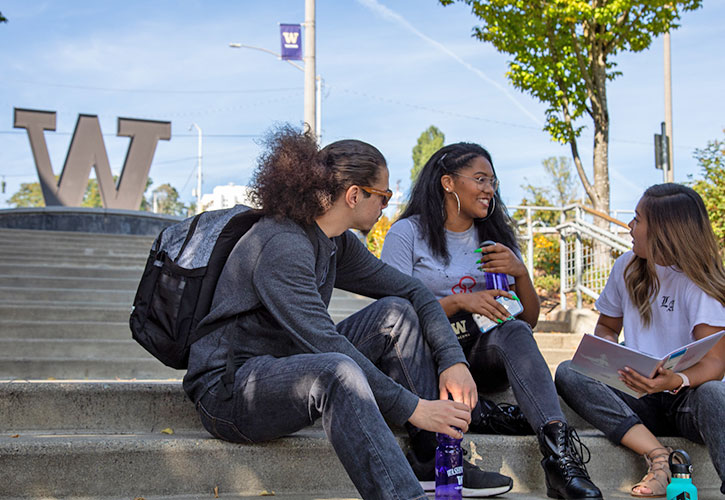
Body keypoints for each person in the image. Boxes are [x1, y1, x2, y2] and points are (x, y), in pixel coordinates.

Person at [182, 126, 514, 500]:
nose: (386, 205)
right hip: (231, 391)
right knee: (337, 371)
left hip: (288, 366)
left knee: (396, 314)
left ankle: (428, 457)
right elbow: (326, 344)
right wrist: (415, 408)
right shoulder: (282, 246)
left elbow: (413, 291)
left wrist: (453, 360)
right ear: (355, 194)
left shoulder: (336, 241)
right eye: (384, 196)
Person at [381, 142, 602, 500]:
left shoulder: (494, 240)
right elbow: (393, 314)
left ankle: (561, 460)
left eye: (493, 182)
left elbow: (527, 320)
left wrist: (522, 274)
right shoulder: (407, 234)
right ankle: (480, 418)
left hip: (480, 353)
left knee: (512, 330)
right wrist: (459, 301)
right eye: (480, 179)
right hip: (424, 356)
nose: (489, 189)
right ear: (448, 182)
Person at [556, 183, 725, 497]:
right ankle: (659, 456)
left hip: (686, 397)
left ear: (664, 230)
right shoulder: (627, 266)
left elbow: (715, 364)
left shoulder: (700, 281)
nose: (630, 227)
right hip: (636, 391)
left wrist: (676, 378)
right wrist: (609, 353)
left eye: (637, 220)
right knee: (569, 372)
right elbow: (606, 327)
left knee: (715, 393)